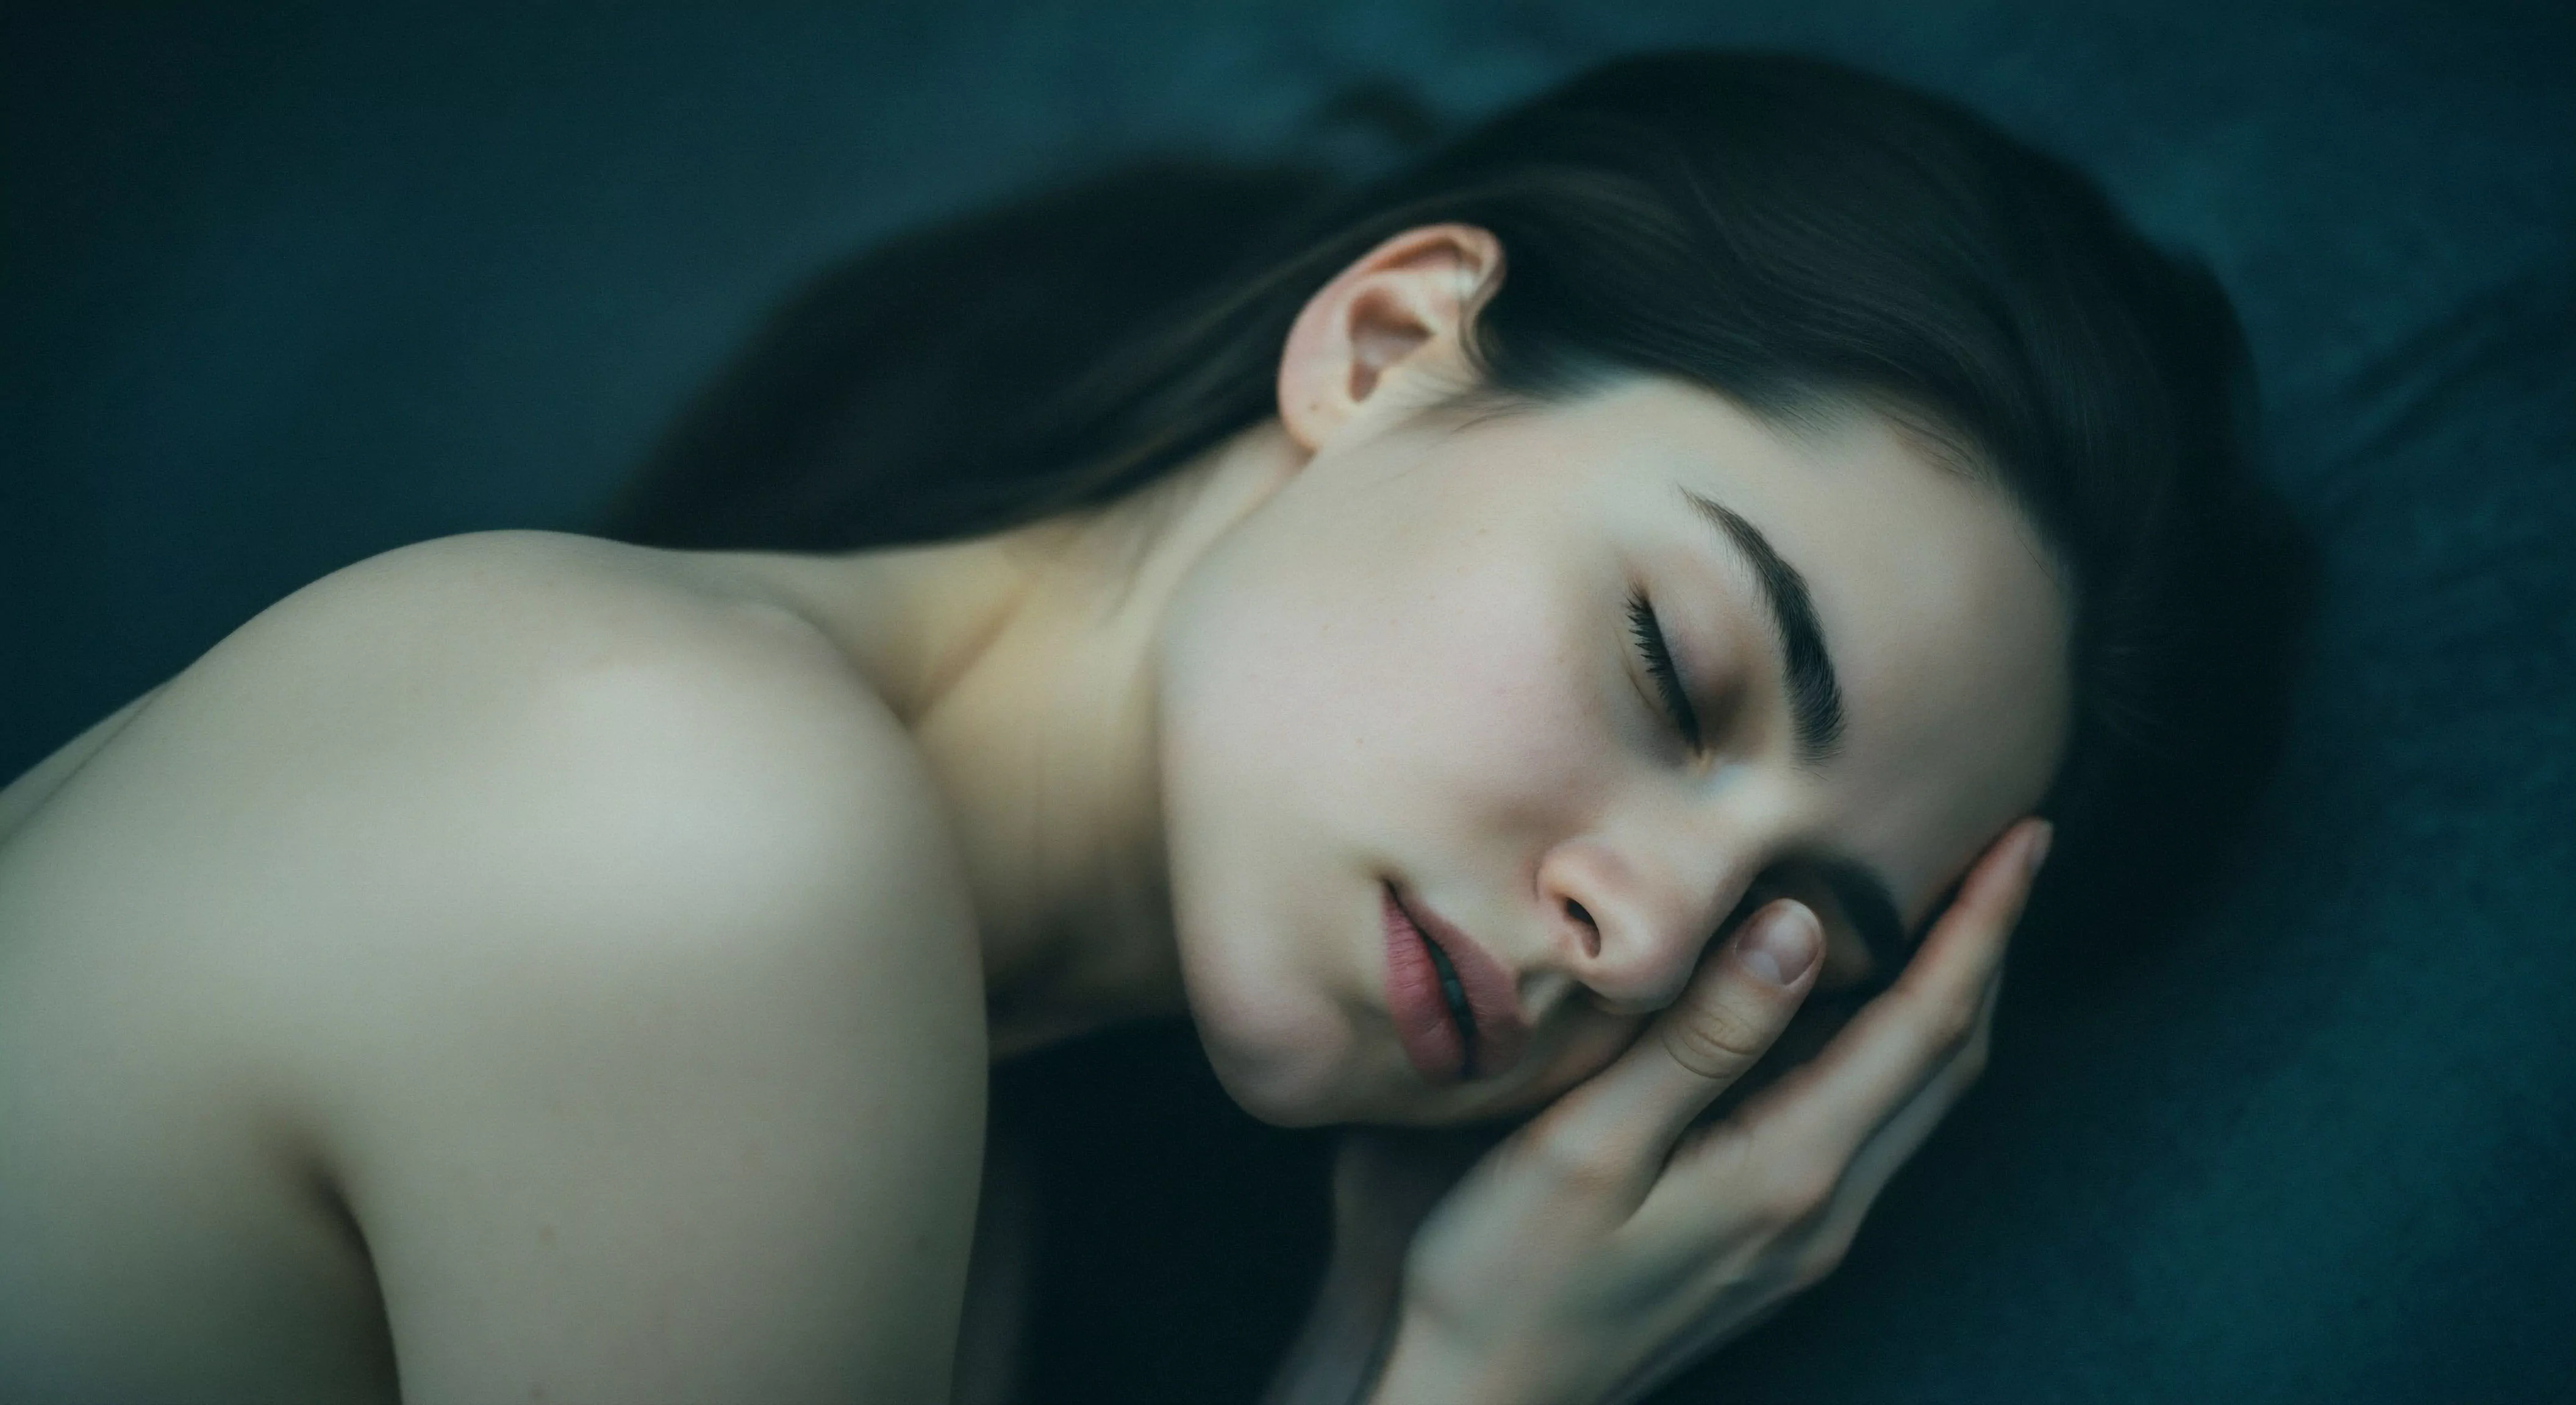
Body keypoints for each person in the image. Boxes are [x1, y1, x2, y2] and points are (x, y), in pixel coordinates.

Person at [0, 51, 2274, 1404]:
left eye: (1800, 939)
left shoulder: (939, 1171)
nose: (1651, 935)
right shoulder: (696, 827)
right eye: (1679, 668)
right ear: (1387, 347)